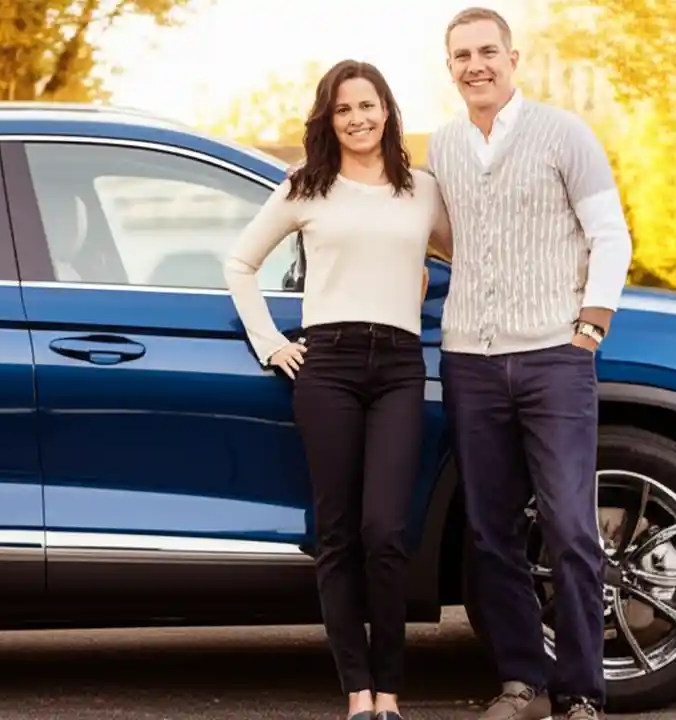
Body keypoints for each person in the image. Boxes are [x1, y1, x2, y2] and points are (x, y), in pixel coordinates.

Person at [224, 59, 450, 720]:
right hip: (328, 367)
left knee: (386, 530)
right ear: (329, 118)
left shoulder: (423, 190)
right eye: (344, 108)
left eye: (368, 105)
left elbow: (465, 253)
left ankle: (390, 689)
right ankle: (358, 692)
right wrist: (271, 342)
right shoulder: (306, 185)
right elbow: (240, 263)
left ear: (388, 111)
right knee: (340, 533)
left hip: (401, 367)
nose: (357, 118)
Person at [426, 7, 633, 720]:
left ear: (513, 58)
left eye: (488, 52)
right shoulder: (444, 147)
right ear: (448, 67)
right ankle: (523, 683)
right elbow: (446, 239)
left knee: (572, 528)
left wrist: (590, 325)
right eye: (462, 56)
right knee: (491, 532)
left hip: (554, 359)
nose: (475, 65)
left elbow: (610, 233)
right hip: (470, 363)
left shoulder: (563, 133)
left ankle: (581, 691)